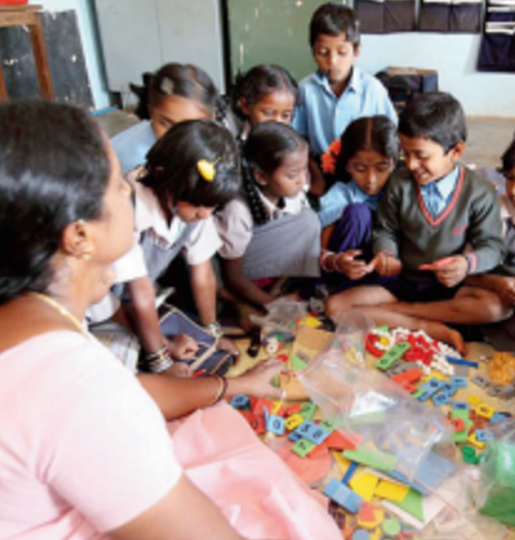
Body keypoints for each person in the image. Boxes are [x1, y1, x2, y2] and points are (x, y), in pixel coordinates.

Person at [0, 101, 318, 540]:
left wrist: (238, 386)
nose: (131, 191)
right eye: (119, 185)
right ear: (78, 235)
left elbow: (127, 391)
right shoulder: (72, 383)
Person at [325, 93, 504, 353]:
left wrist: (466, 264)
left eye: (421, 156)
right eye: (405, 154)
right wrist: (387, 254)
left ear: (456, 151)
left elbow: (493, 248)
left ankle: (401, 316)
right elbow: (385, 230)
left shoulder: (481, 192)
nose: (411, 164)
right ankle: (427, 327)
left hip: (450, 288)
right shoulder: (399, 183)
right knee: (335, 307)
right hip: (403, 285)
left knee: (495, 307)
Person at [389, 125, 515, 357]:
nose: (514, 190)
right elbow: (473, 270)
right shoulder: (500, 210)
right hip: (493, 294)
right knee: (483, 303)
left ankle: (405, 314)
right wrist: (497, 284)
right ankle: (409, 312)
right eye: (510, 179)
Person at [87, 120, 242, 375]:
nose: (204, 215)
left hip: (140, 302)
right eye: (198, 206)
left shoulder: (196, 202)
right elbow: (139, 293)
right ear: (162, 177)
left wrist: (210, 337)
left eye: (212, 207)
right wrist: (162, 360)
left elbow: (202, 273)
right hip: (102, 305)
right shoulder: (128, 207)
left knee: (205, 356)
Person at [215, 122, 321, 311]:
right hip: (239, 275)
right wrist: (274, 305)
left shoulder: (292, 193)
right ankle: (257, 299)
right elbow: (233, 276)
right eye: (292, 175)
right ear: (261, 177)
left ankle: (277, 287)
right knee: (308, 222)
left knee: (308, 220)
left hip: (268, 267)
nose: (302, 180)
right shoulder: (237, 209)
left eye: (304, 170)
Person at [292, 3, 398, 163]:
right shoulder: (305, 90)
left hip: (363, 173)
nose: (333, 61)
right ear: (313, 53)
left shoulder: (373, 90)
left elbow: (392, 138)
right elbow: (298, 139)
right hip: (321, 171)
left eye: (342, 53)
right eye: (323, 53)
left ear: (356, 52)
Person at [317, 116, 398, 293]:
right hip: (346, 275)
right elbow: (319, 253)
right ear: (347, 165)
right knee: (358, 213)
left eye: (381, 167)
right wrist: (338, 261)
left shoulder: (401, 191)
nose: (371, 179)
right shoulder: (340, 195)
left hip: (388, 274)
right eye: (360, 169)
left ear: (394, 162)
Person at [114, 63, 222, 174]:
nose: (177, 135)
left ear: (211, 120)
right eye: (166, 124)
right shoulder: (136, 162)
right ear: (151, 112)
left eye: (190, 126)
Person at [231, 65, 299, 140]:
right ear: (245, 106)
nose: (277, 122)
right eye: (268, 113)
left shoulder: (291, 144)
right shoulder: (234, 141)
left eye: (285, 116)